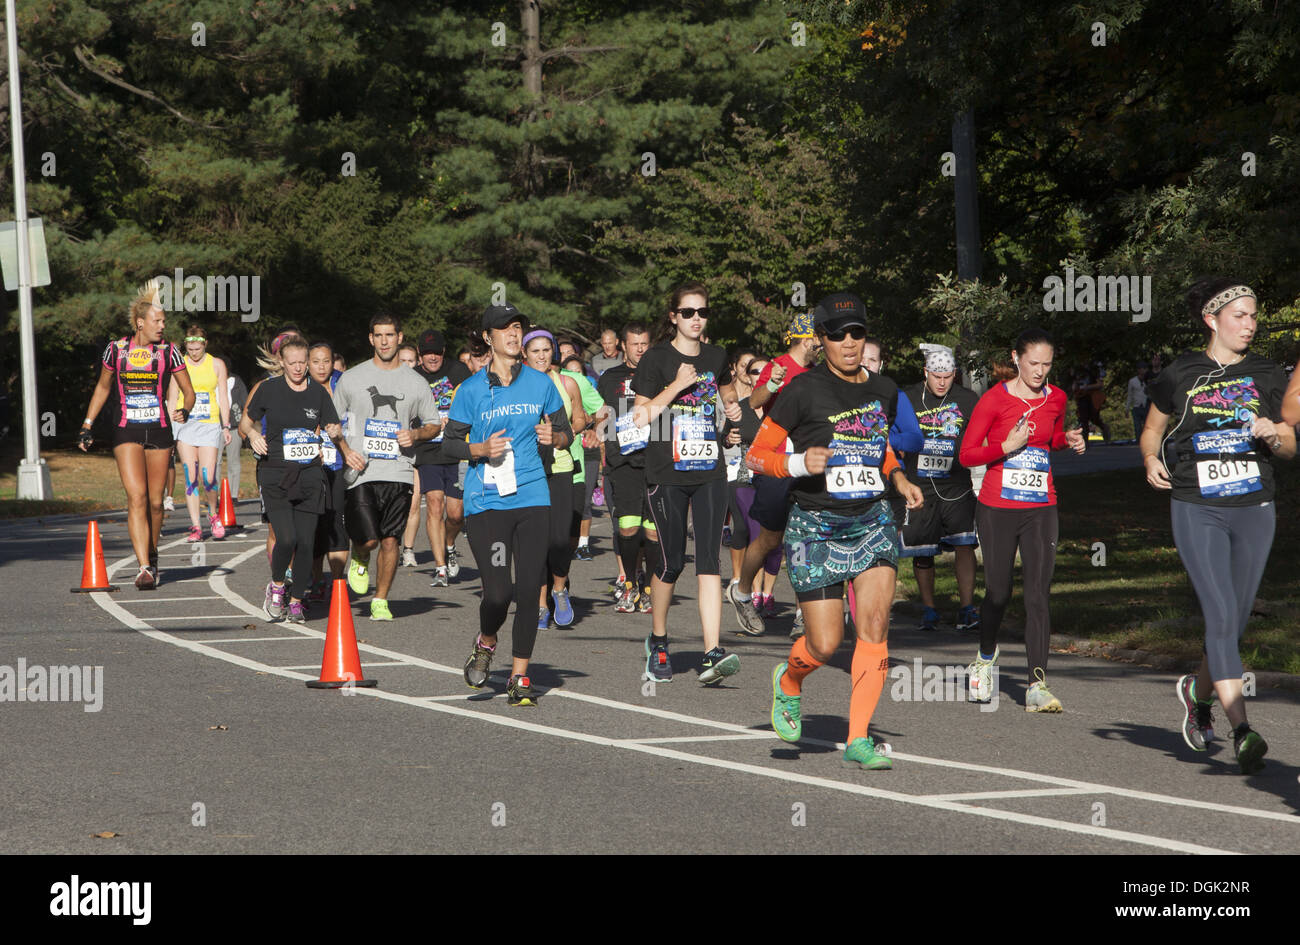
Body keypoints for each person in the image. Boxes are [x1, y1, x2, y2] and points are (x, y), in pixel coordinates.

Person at [751, 292, 925, 770]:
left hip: (872, 520)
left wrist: (898, 476)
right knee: (825, 644)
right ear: (821, 339)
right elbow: (755, 454)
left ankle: (857, 738)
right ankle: (789, 681)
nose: (849, 343)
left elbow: (879, 446)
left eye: (857, 332)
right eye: (836, 334)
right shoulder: (802, 391)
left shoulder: (885, 390)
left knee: (874, 625)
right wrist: (796, 461)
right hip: (815, 525)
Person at [1149, 279, 1293, 774]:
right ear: (1213, 320)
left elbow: (1293, 446)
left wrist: (1277, 435)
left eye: (1255, 316)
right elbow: (1152, 428)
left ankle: (1197, 691)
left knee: (1234, 618)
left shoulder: (1269, 375)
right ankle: (1243, 730)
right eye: (1241, 315)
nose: (1250, 325)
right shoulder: (1181, 372)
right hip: (1197, 505)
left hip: (1255, 508)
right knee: (1219, 612)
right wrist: (1149, 457)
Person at [440, 304, 575, 706]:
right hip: (487, 502)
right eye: (504, 330)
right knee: (498, 594)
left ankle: (520, 676)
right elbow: (447, 445)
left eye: (518, 328)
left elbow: (567, 432)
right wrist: (476, 449)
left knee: (531, 590)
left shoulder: (541, 383)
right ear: (488, 338)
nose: (514, 336)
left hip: (533, 495)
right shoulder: (469, 390)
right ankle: (486, 641)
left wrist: (556, 438)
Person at [959, 327, 1086, 712]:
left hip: (1041, 506)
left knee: (1038, 594)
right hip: (997, 507)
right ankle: (983, 658)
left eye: (1047, 365)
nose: (1040, 371)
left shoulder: (1057, 398)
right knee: (999, 592)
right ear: (1016, 358)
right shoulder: (993, 400)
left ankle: (1037, 685)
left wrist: (1070, 441)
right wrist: (1006, 447)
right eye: (1033, 363)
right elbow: (967, 454)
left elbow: (1051, 439)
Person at [632, 282, 744, 684]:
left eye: (703, 312)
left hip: (709, 470)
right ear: (674, 317)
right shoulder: (657, 358)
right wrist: (678, 385)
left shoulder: (716, 355)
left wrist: (731, 407)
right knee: (671, 561)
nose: (697, 319)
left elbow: (729, 392)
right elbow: (640, 418)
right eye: (689, 312)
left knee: (710, 560)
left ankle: (712, 651)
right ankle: (659, 640)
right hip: (667, 474)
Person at [78, 280, 195, 589]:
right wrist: (87, 424)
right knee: (137, 497)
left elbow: (188, 391)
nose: (162, 326)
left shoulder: (169, 352)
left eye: (164, 322)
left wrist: (186, 409)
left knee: (157, 503)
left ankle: (152, 553)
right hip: (125, 428)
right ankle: (144, 566)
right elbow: (103, 388)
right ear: (140, 323)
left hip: (159, 429)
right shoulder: (116, 349)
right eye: (157, 321)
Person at [332, 312, 441, 620]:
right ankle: (361, 555)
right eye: (378, 335)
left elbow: (434, 424)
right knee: (369, 538)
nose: (384, 341)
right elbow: (331, 421)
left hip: (400, 470)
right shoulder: (353, 378)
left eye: (389, 335)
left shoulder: (415, 382)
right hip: (361, 471)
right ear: (371, 339)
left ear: (400, 337)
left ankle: (380, 599)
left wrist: (416, 433)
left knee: (391, 538)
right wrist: (344, 449)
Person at [727, 311, 822, 635]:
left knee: (804, 537)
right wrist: (773, 382)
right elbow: (755, 400)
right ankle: (742, 592)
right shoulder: (778, 365)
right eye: (820, 340)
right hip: (776, 464)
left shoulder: (818, 372)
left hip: (807, 466)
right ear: (807, 339)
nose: (823, 345)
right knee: (769, 538)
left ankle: (801, 613)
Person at [241, 338, 343, 623]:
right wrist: (253, 436)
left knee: (307, 544)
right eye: (293, 362)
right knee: (287, 537)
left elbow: (332, 425)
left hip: (310, 472)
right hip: (275, 472)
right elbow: (245, 423)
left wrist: (334, 431)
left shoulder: (319, 394)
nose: (298, 368)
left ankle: (297, 600)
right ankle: (276, 587)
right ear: (282, 363)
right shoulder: (268, 389)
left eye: (303, 362)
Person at [897, 343, 982, 632]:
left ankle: (967, 608)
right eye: (936, 376)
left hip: (956, 484)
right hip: (919, 485)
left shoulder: (967, 399)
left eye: (947, 376)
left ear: (955, 374)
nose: (942, 382)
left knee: (965, 544)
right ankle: (929, 609)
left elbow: (985, 434)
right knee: (923, 549)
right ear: (926, 373)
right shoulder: (907, 398)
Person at [522, 329, 588, 629]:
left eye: (546, 350)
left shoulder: (567, 383)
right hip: (528, 470)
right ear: (525, 354)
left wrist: (564, 436)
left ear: (553, 353)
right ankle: (539, 604)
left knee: (561, 538)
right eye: (535, 351)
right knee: (536, 541)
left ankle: (559, 589)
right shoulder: (516, 385)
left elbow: (580, 418)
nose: (541, 356)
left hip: (562, 466)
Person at [596, 322, 658, 614]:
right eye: (634, 344)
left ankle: (648, 589)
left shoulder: (660, 373)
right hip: (623, 462)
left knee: (653, 531)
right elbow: (602, 417)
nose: (640, 349)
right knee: (628, 528)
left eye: (644, 343)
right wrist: (606, 451)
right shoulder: (610, 378)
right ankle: (630, 583)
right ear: (623, 346)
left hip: (655, 461)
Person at [402, 329, 471, 586]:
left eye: (437, 352)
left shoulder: (459, 372)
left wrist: (455, 420)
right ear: (419, 355)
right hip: (427, 450)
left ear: (444, 351)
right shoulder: (411, 377)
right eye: (427, 352)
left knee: (455, 514)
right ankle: (440, 567)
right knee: (434, 504)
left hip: (456, 449)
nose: (432, 357)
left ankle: (449, 544)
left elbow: (473, 402)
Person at [723, 350, 780, 615]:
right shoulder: (740, 407)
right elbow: (724, 435)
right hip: (744, 476)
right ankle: (753, 590)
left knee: (775, 538)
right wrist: (728, 440)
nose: (760, 376)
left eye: (766, 372)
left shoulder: (781, 406)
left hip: (774, 475)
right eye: (755, 372)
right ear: (748, 376)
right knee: (753, 531)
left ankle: (769, 593)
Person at [171, 325, 232, 542]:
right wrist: (171, 427)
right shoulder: (179, 364)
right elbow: (172, 396)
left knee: (208, 476)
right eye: (190, 348)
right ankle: (196, 525)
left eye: (197, 348)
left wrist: (226, 425)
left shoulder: (216, 364)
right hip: (185, 426)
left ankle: (213, 514)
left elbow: (223, 396)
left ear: (205, 345)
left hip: (209, 425)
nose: (194, 353)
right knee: (191, 476)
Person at [305, 341, 350, 603]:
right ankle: (316, 577)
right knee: (313, 525)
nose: (321, 367)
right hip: (309, 466)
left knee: (337, 522)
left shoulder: (344, 383)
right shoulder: (299, 386)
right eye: (316, 362)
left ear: (333, 362)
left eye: (326, 361)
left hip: (339, 465)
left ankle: (336, 580)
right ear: (308, 363)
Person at [560, 354, 606, 562]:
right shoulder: (524, 378)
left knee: (582, 504)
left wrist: (594, 429)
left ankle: (581, 546)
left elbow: (602, 411)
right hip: (540, 462)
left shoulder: (578, 382)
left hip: (578, 457)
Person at [219, 355, 249, 500]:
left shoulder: (236, 382)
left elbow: (245, 403)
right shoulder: (211, 381)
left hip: (234, 426)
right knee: (215, 462)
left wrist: (244, 424)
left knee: (234, 460)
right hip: (215, 426)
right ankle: (217, 495)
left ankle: (233, 494)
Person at [1126, 363, 1150, 442]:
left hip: (1146, 405)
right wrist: (1127, 408)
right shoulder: (1132, 381)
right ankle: (1139, 441)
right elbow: (1130, 395)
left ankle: (1147, 440)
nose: (1142, 370)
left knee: (1147, 426)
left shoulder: (1149, 380)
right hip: (1136, 406)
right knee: (1137, 427)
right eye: (1140, 369)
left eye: (1144, 368)